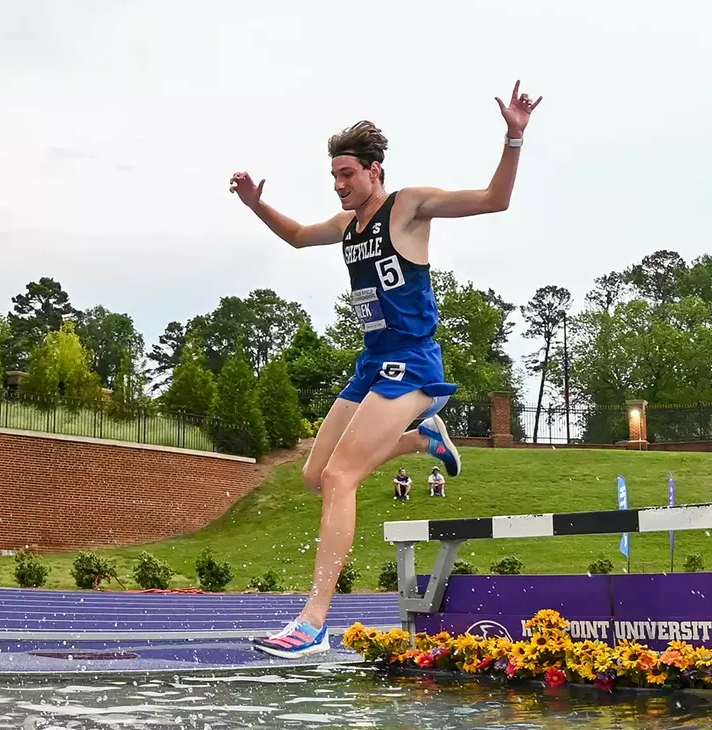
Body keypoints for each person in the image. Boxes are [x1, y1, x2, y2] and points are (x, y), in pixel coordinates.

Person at [231, 80, 541, 659]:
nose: (339, 184)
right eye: (333, 176)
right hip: (372, 364)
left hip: (412, 362)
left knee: (342, 479)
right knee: (313, 476)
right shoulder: (347, 228)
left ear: (374, 171)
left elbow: (494, 199)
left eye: (346, 174)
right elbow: (298, 237)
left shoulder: (409, 205)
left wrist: (514, 137)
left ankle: (315, 620)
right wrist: (257, 206)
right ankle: (422, 440)